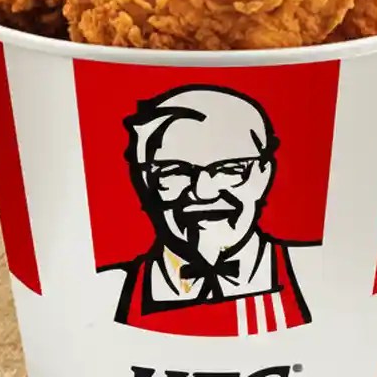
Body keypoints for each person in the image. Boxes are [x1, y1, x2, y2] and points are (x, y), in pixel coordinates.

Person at [107, 85, 313, 337]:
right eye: (173, 171)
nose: (204, 192)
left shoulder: (318, 273)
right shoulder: (106, 290)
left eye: (230, 169)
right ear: (144, 182)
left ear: (264, 175)